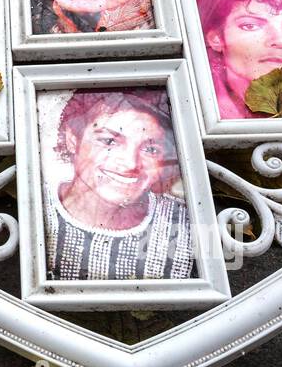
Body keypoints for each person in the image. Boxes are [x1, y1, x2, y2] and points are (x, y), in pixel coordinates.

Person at [45, 88, 193, 281]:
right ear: (73, 139)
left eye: (150, 149)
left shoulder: (186, 222)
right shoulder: (34, 210)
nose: (131, 164)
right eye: (109, 141)